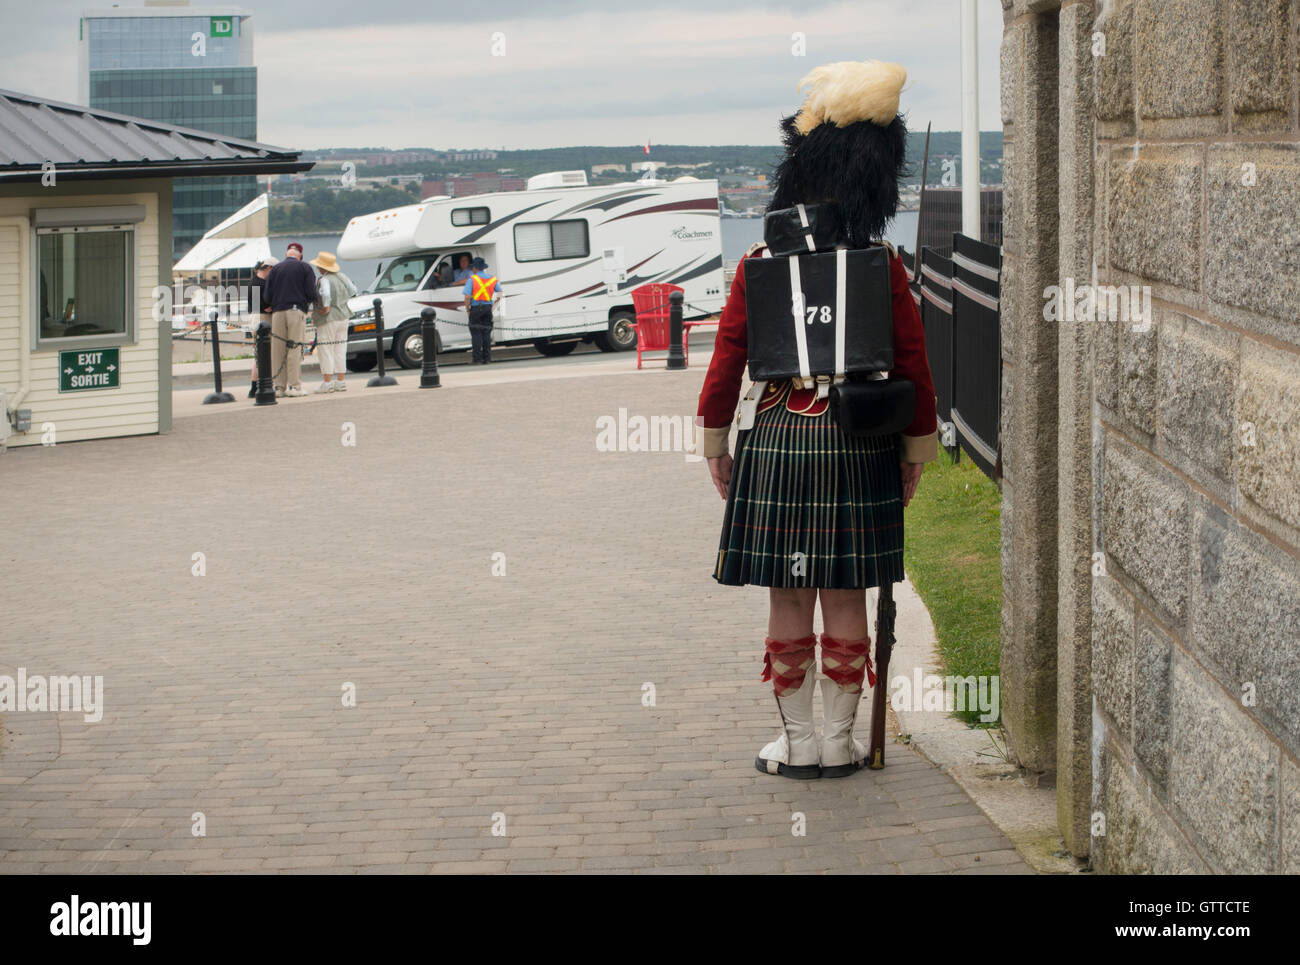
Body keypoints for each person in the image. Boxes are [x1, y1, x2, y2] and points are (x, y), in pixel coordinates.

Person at [695, 61, 938, 779]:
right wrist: (916, 452)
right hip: (859, 441)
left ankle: (799, 744)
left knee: (790, 590)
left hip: (778, 433)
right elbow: (915, 365)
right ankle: (839, 742)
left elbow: (728, 359)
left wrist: (715, 441)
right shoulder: (883, 264)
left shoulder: (758, 261)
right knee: (845, 589)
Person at [263, 242, 318, 397]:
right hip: (296, 310)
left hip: (277, 312)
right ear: (299, 256)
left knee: (277, 350)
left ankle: (279, 387)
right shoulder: (305, 268)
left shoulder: (275, 270)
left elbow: (267, 296)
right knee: (294, 348)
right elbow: (311, 293)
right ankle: (294, 386)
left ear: (286, 255)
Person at [308, 251, 357, 393]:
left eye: (319, 266)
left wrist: (326, 307)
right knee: (340, 348)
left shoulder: (324, 279)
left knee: (325, 348)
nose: (317, 268)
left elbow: (326, 295)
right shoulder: (342, 276)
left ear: (323, 267)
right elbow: (353, 290)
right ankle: (340, 381)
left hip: (329, 318)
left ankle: (327, 383)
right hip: (344, 315)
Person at [245, 256, 276, 398]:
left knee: (259, 354)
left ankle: (255, 386)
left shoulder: (254, 282)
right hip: (261, 318)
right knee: (261, 355)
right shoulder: (258, 284)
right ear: (268, 268)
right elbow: (265, 306)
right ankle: (256, 386)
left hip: (257, 317)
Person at [462, 256, 501, 364]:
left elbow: (466, 297)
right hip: (487, 308)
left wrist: (468, 310)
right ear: (483, 268)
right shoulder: (492, 279)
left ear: (475, 268)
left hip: (476, 309)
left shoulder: (472, 279)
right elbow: (499, 293)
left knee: (476, 334)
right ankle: (487, 358)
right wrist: (493, 305)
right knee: (486, 333)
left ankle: (477, 359)